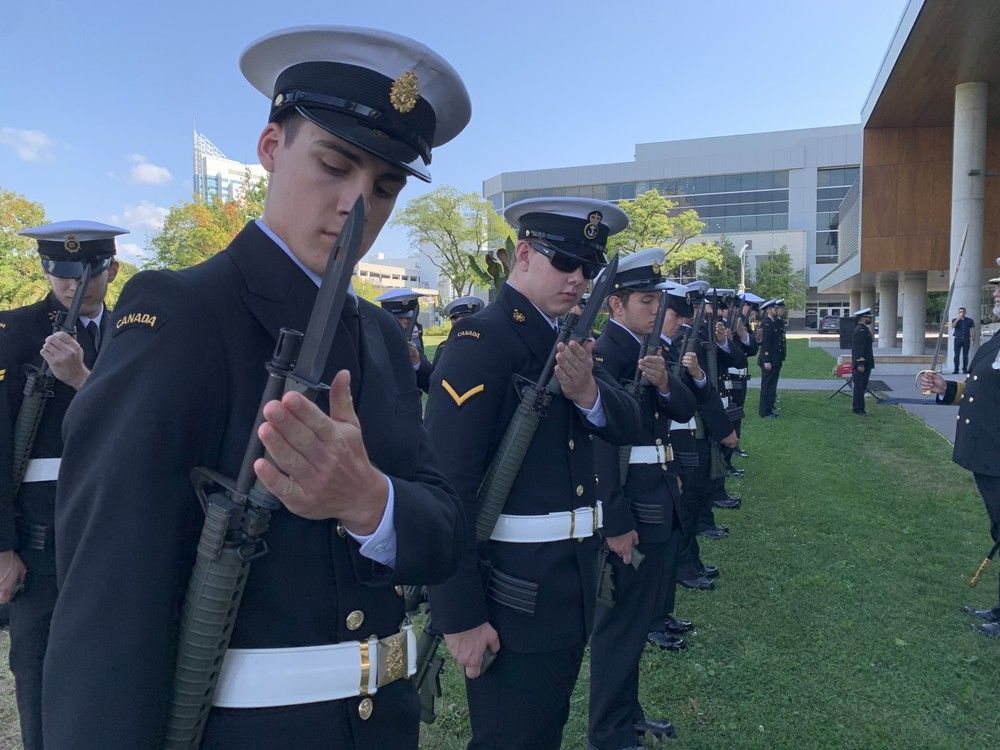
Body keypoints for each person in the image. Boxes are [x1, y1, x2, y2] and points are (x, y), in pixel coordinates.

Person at [42, 26, 471, 749]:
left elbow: (444, 532)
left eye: (384, 186)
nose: (355, 205)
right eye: (334, 165)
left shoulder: (377, 337)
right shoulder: (183, 311)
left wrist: (370, 502)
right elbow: (107, 595)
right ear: (271, 149)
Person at [424, 197, 641, 750]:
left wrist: (588, 392)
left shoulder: (564, 341)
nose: (578, 280)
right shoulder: (482, 343)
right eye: (564, 262)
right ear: (523, 254)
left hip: (565, 593)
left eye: (588, 270)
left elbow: (629, 421)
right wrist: (460, 617)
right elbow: (446, 488)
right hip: (509, 599)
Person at [0, 220, 123, 750]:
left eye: (87, 273)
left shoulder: (134, 333)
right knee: (36, 661)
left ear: (111, 270)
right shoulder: (14, 332)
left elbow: (141, 423)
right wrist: (3, 546)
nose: (73, 285)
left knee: (107, 662)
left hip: (111, 522)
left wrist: (82, 378)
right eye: (61, 273)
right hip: (37, 529)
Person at [589, 250, 695, 749]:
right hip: (630, 504)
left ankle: (627, 715)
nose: (657, 308)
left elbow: (683, 407)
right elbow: (600, 442)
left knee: (634, 626)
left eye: (659, 299)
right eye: (646, 299)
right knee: (618, 630)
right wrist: (613, 516)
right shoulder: (605, 353)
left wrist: (665, 380)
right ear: (615, 303)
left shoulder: (651, 349)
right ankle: (608, 732)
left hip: (659, 497)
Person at [918, 274, 1000, 637]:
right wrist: (945, 388)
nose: (995, 292)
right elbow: (982, 391)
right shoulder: (996, 339)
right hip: (988, 458)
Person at [376, 287, 434, 391]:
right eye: (399, 317)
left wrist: (416, 362)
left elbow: (431, 386)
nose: (405, 322)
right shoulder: (373, 343)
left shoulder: (414, 346)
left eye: (408, 318)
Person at [432, 295, 486, 366]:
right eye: (454, 318)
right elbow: (436, 373)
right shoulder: (443, 346)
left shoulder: (486, 344)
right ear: (453, 322)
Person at [757, 299, 782, 418]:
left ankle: (770, 408)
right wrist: (766, 360)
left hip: (774, 359)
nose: (776, 310)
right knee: (767, 386)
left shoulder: (772, 322)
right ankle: (764, 411)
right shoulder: (767, 323)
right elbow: (765, 343)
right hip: (769, 359)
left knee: (772, 385)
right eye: (774, 309)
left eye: (776, 308)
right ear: (769, 310)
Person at [851, 307, 874, 415]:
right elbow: (860, 348)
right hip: (862, 364)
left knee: (861, 386)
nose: (870, 319)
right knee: (859, 387)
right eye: (868, 317)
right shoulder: (861, 330)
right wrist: (860, 363)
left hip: (865, 362)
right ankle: (858, 409)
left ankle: (860, 407)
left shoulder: (863, 329)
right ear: (863, 318)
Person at [951, 306, 977, 374]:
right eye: (960, 312)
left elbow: (973, 330)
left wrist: (973, 339)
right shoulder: (954, 320)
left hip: (966, 340)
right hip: (957, 339)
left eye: (963, 312)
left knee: (965, 355)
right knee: (956, 355)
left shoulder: (970, 320)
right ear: (958, 312)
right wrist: (957, 319)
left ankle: (965, 369)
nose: (961, 313)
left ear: (965, 312)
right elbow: (953, 326)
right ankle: (956, 369)